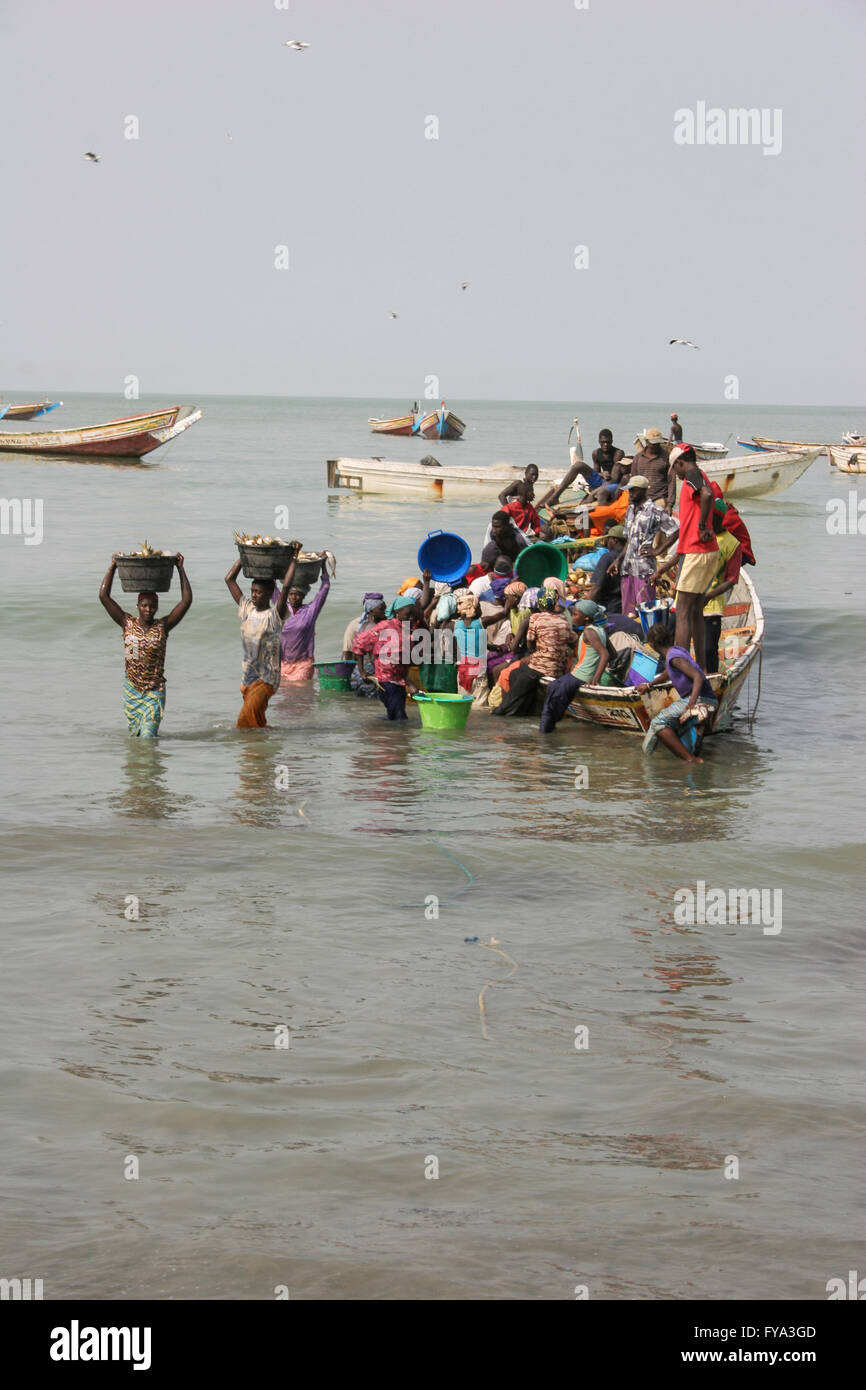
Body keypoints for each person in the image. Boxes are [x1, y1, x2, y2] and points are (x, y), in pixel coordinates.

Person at [99, 552, 193, 737]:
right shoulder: (127, 623)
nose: (148, 610)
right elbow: (104, 596)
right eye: (144, 606)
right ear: (138, 606)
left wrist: (180, 569)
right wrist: (113, 567)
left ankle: (152, 763)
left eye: (152, 606)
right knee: (137, 739)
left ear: (156, 607)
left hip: (154, 690)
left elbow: (186, 601)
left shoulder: (162, 627)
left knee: (148, 736)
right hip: (132, 690)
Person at [225, 544, 300, 728]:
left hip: (266, 678)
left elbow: (286, 586)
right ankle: (263, 749)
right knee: (256, 721)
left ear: (268, 594)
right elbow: (229, 580)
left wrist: (294, 557)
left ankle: (251, 752)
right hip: (248, 676)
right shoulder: (247, 609)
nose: (254, 595)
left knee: (244, 721)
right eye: (252, 592)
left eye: (258, 592)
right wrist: (244, 557)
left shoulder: (274, 616)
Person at [491, 581, 577, 717]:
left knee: (517, 682)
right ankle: (524, 709)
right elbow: (573, 640)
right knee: (515, 674)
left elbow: (530, 644)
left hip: (541, 667)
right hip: (559, 666)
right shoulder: (564, 619)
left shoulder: (535, 618)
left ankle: (504, 709)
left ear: (540, 604)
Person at [637, 623, 718, 764]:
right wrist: (649, 685)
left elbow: (698, 676)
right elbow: (667, 673)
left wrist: (692, 703)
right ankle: (693, 743)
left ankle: (689, 759)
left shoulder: (673, 657)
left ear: (652, 644)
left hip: (699, 698)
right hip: (705, 698)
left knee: (657, 722)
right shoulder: (676, 652)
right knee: (668, 725)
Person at [669, 445, 718, 671]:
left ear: (680, 462)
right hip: (707, 551)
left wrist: (700, 526)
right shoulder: (700, 476)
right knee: (696, 611)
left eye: (675, 469)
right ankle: (702, 668)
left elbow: (707, 494)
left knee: (682, 611)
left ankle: (680, 667)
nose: (677, 475)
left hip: (696, 552)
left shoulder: (692, 474)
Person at [538, 599, 610, 733]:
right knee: (555, 687)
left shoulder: (589, 632)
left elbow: (605, 654)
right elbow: (613, 653)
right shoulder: (600, 630)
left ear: (586, 617)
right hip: (580, 674)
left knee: (553, 695)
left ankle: (544, 735)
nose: (573, 617)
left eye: (576, 614)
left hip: (580, 675)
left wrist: (596, 677)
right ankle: (550, 726)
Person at [352, 594, 419, 720]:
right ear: (397, 613)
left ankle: (382, 734)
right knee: (400, 719)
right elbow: (358, 642)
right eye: (407, 614)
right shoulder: (385, 627)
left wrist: (410, 683)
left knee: (395, 717)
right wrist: (362, 671)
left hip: (400, 682)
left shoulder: (407, 630)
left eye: (413, 615)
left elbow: (402, 663)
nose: (411, 618)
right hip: (386, 682)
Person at [618, 475, 679, 616]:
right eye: (629, 490)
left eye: (634, 490)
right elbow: (629, 539)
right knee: (628, 612)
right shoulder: (630, 509)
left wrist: (657, 551)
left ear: (643, 490)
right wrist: (618, 560)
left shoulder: (654, 511)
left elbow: (675, 531)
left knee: (646, 611)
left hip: (644, 569)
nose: (631, 493)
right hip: (627, 567)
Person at [277, 558, 330, 681]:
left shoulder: (310, 611)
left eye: (297, 594)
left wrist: (323, 565)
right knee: (284, 698)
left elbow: (325, 588)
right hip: (283, 663)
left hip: (303, 663)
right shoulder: (282, 608)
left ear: (303, 595)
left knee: (300, 693)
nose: (294, 597)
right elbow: (273, 588)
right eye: (291, 594)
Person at [702, 522, 742, 674]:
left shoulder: (732, 544)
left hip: (712, 603)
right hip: (689, 599)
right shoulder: (701, 534)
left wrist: (709, 596)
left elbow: (732, 580)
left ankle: (712, 679)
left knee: (709, 648)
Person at [343, 593, 386, 695]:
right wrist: (362, 671)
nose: (384, 612)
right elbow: (356, 650)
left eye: (385, 609)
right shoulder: (367, 626)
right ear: (371, 610)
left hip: (368, 670)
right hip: (368, 671)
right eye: (381, 609)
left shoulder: (381, 625)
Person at [586, 524, 626, 613]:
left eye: (609, 539)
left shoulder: (607, 557)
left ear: (615, 540)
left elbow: (597, 587)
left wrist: (586, 610)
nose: (607, 542)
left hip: (608, 605)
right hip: (625, 604)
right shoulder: (630, 557)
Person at [631, 428, 674, 508]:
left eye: (658, 443)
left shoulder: (666, 457)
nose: (656, 446)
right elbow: (634, 481)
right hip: (642, 498)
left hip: (660, 498)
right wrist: (632, 501)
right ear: (646, 442)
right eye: (653, 443)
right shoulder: (638, 458)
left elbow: (671, 481)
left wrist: (670, 503)